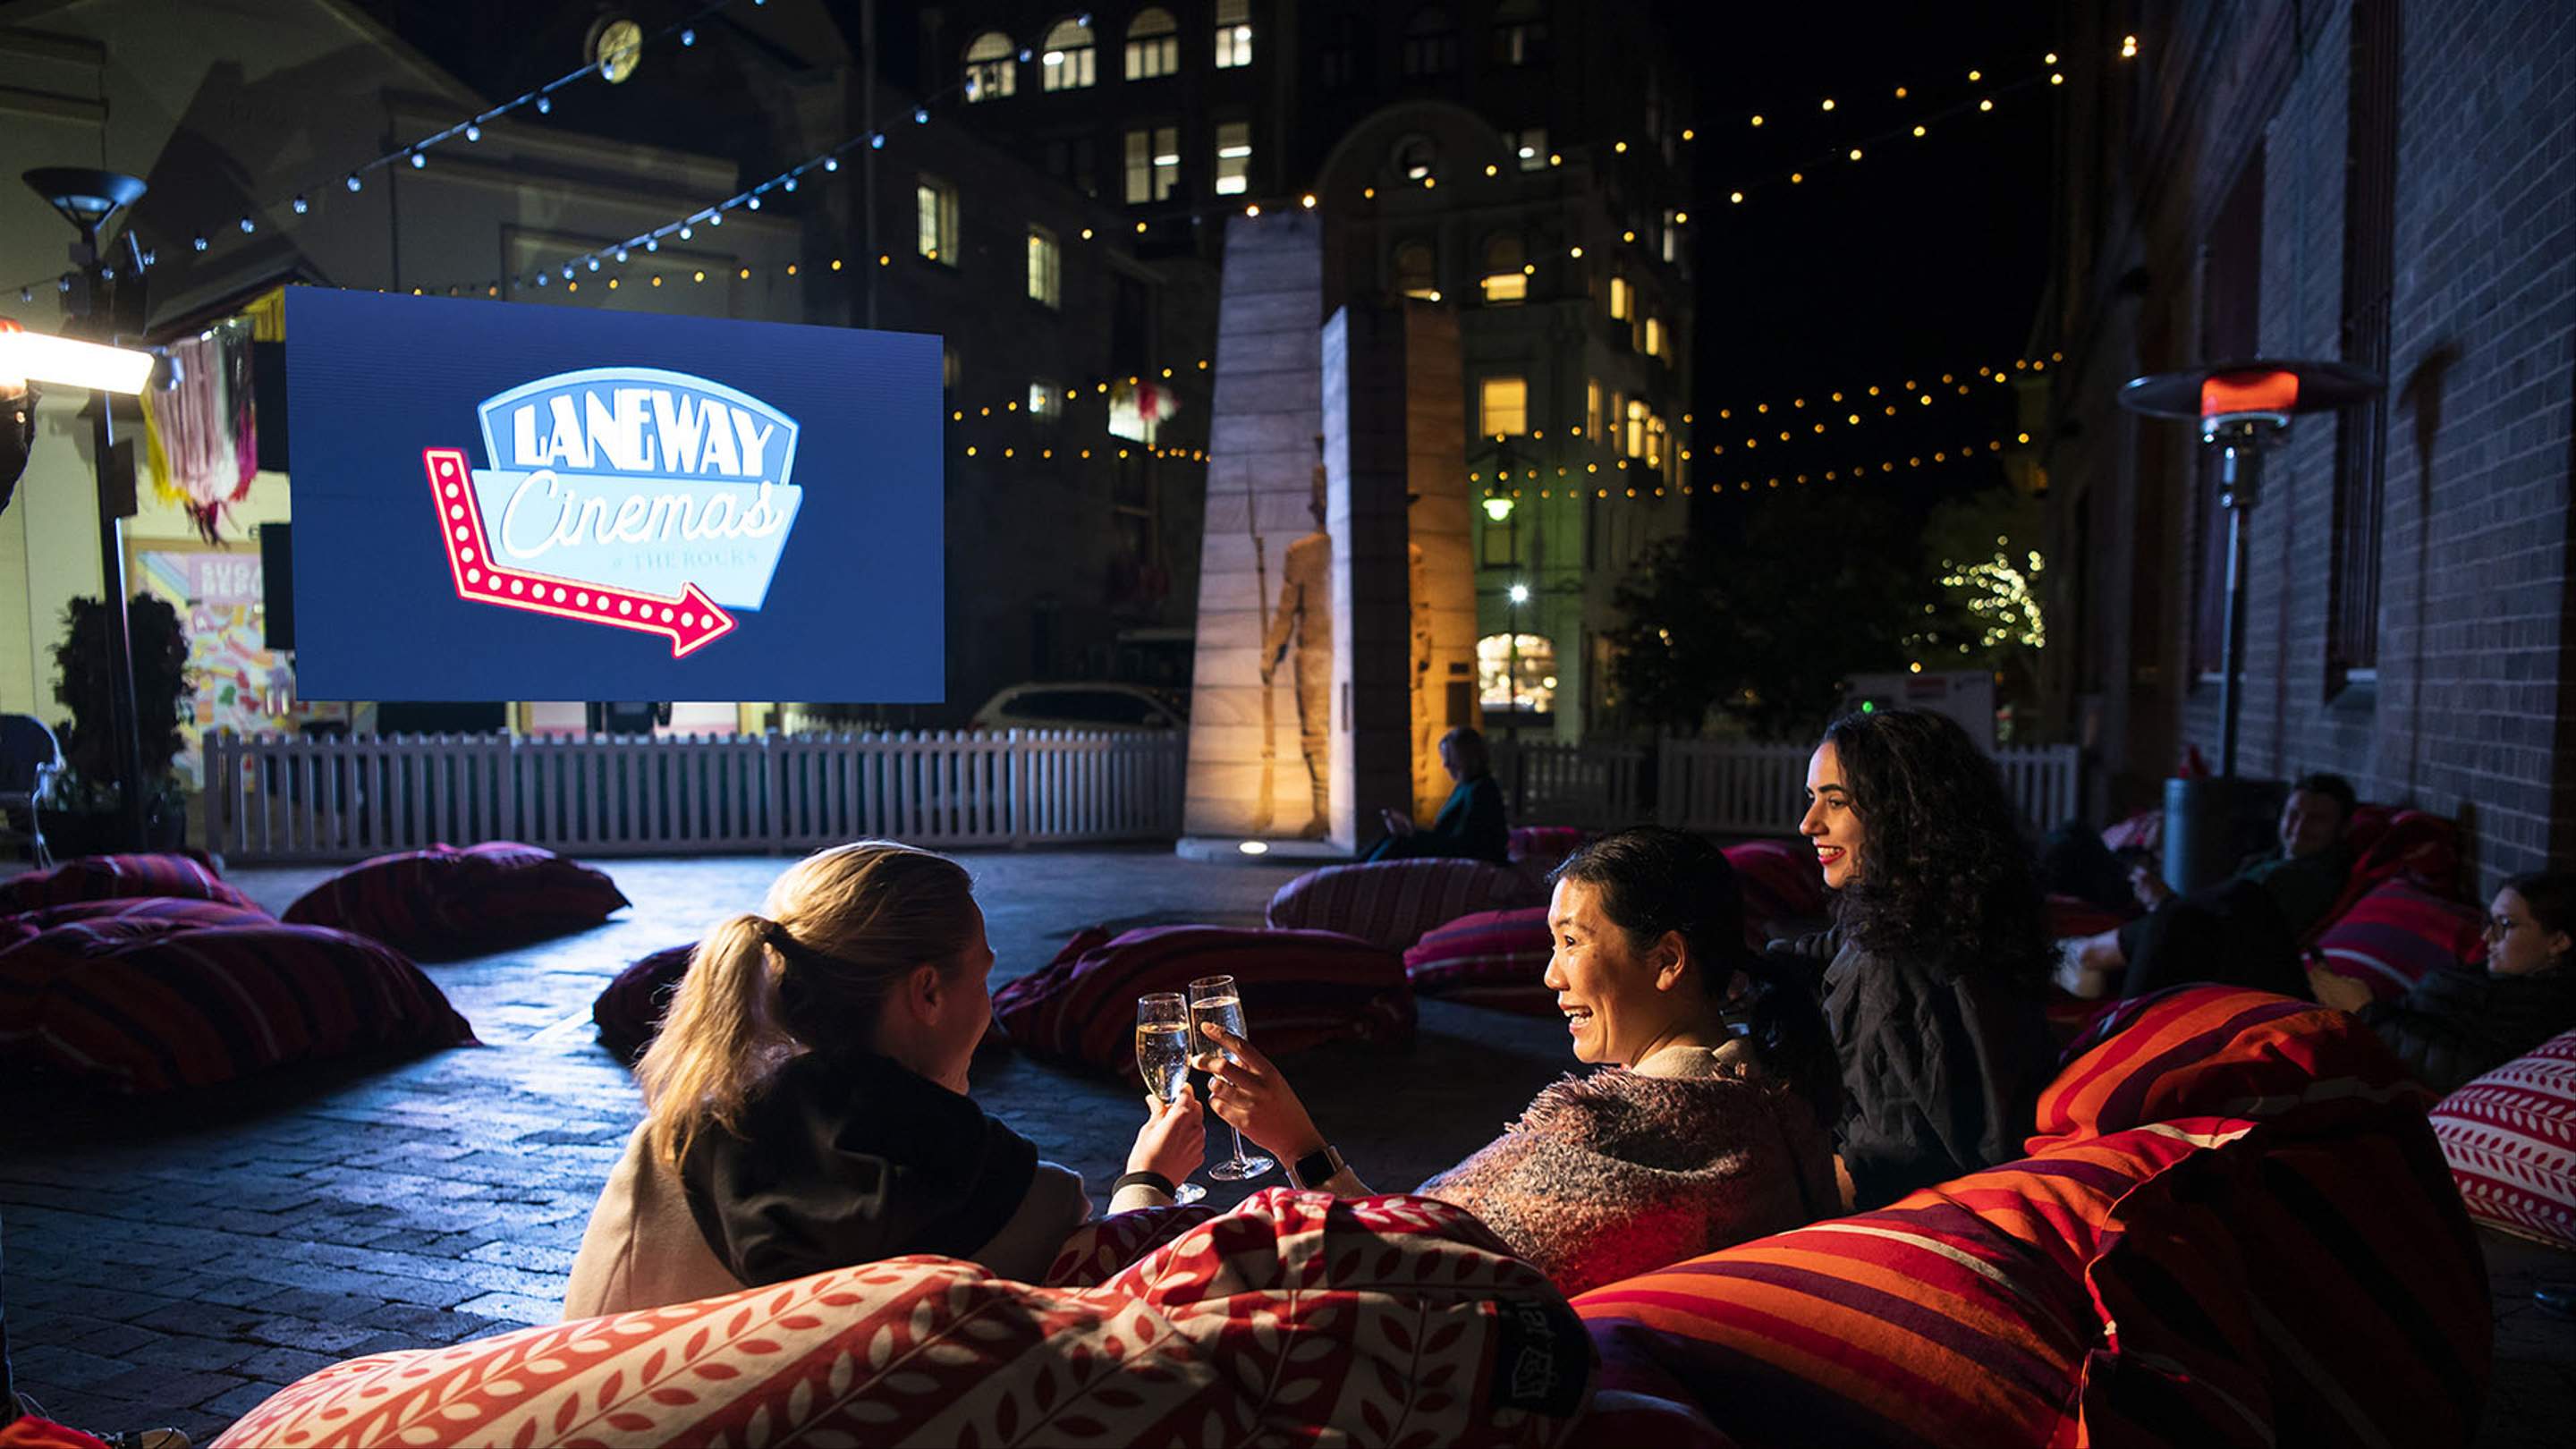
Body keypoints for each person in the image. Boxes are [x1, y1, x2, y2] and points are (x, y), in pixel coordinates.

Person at [564, 841, 1204, 1318]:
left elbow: (582, 1339)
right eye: (982, 977)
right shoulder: (1030, 1204)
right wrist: (1147, 1180)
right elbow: (1118, 1319)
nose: (992, 1006)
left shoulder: (666, 1153)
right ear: (927, 992)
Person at [1199, 826, 1840, 1297]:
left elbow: (1402, 1258)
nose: (1550, 975)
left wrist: (1297, 1143)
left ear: (1669, 960)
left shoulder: (1607, 1132)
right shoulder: (1769, 1094)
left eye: (1572, 942)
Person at [1780, 708, 2058, 1211]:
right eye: (1812, 799)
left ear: (1901, 812)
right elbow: (1830, 948)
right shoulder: (1946, 914)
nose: (1808, 824)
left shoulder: (1896, 966)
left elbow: (1885, 1163)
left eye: (1835, 802)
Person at [2063, 773, 2360, 999]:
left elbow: (2245, 932)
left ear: (2343, 829)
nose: (2298, 828)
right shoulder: (2264, 859)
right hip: (2186, 933)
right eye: (2293, 814)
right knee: (2074, 838)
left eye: (2316, 820)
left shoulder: (2317, 877)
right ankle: (2076, 957)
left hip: (2228, 962)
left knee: (2221, 902)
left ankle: (2084, 954)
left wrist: (2168, 903)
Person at [2309, 871, 2576, 1097]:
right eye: (2489, 922)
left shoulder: (2549, 1007)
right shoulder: (2491, 974)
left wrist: (2367, 1012)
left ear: (2557, 942)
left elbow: (2473, 1070)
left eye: (2505, 925)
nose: (2487, 937)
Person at [1361, 726, 1510, 864]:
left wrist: (1414, 833)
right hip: (1454, 848)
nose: (1445, 764)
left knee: (1398, 842)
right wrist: (1411, 830)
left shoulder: (1482, 790)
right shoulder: (1466, 786)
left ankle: (1359, 876)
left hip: (1467, 855)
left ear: (1465, 758)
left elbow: (1465, 843)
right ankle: (1355, 868)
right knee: (1391, 835)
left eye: (1450, 757)